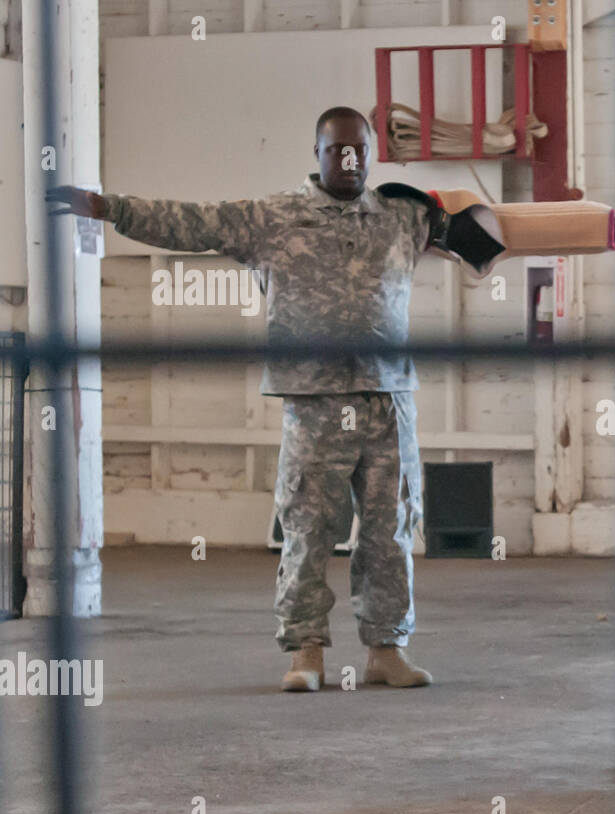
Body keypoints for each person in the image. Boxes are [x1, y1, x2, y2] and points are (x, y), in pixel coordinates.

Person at [49, 106, 447, 692]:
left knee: (390, 531)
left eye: (360, 149)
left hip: (388, 401)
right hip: (313, 399)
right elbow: (193, 222)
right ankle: (306, 653)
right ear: (316, 153)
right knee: (309, 528)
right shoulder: (274, 217)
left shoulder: (403, 216)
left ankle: (387, 649)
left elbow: (488, 228)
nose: (350, 159)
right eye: (337, 149)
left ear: (372, 152)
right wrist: (110, 208)